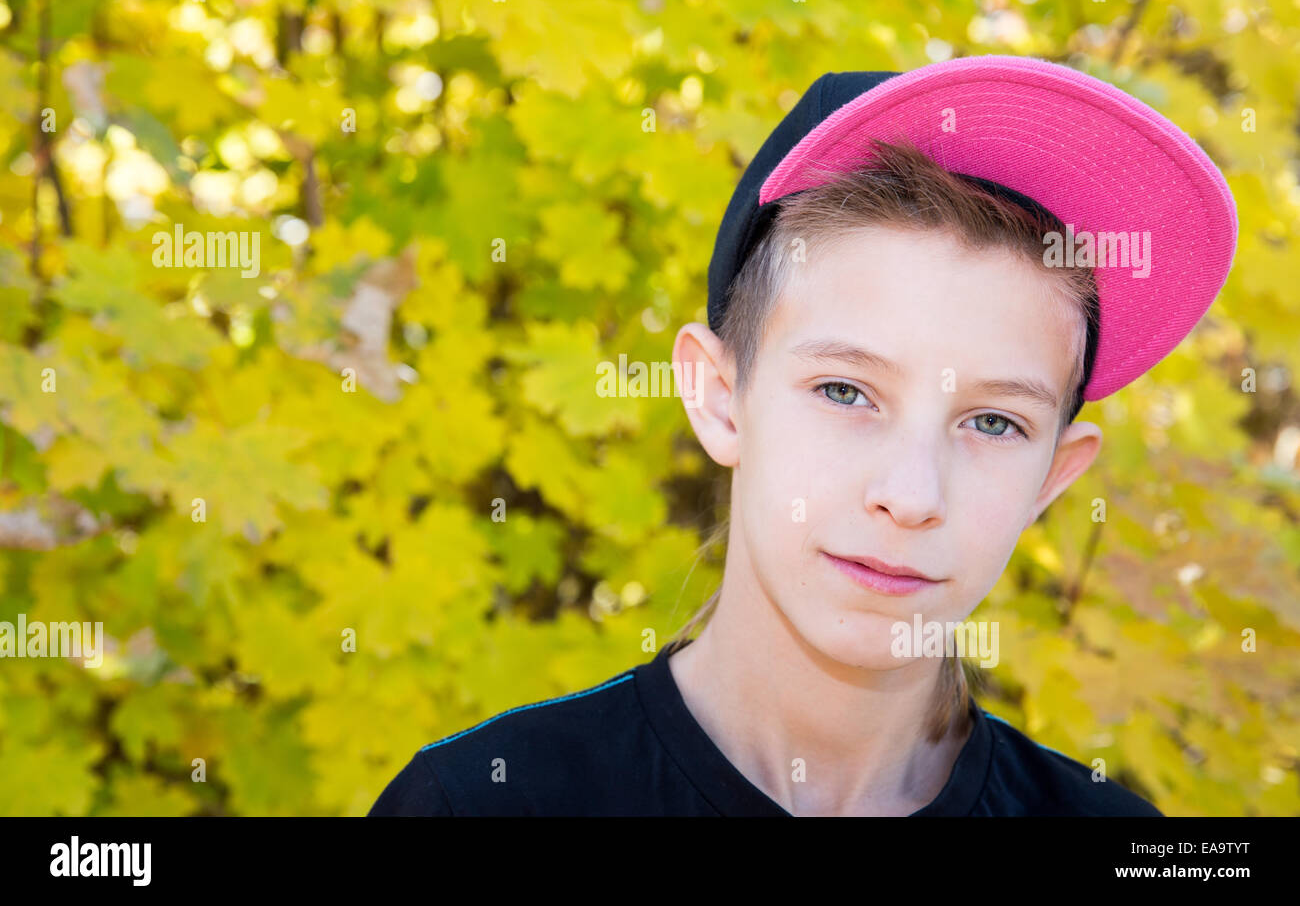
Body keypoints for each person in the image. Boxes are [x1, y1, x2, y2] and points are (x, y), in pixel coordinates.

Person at [369, 55, 1236, 816]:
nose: (910, 495)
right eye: (846, 390)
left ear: (1053, 477)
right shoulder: (487, 802)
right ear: (717, 397)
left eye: (993, 421)